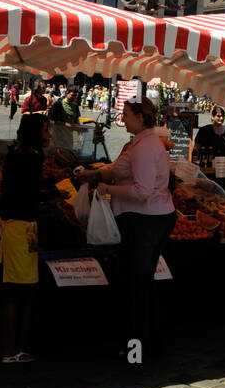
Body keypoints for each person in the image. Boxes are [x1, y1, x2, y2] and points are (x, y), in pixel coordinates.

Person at [74, 97, 176, 358]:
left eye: (127, 114)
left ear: (140, 118)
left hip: (144, 220)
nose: (123, 118)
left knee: (137, 282)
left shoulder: (144, 147)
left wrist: (106, 189)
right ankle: (145, 339)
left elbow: (141, 192)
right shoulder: (139, 143)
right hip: (150, 218)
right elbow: (120, 169)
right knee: (139, 280)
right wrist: (96, 174)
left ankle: (137, 344)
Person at [0, 113, 51, 364]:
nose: (49, 135)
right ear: (35, 133)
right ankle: (11, 351)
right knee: (15, 293)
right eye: (46, 130)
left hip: (3, 227)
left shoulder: (14, 153)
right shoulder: (33, 157)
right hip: (21, 230)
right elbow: (31, 193)